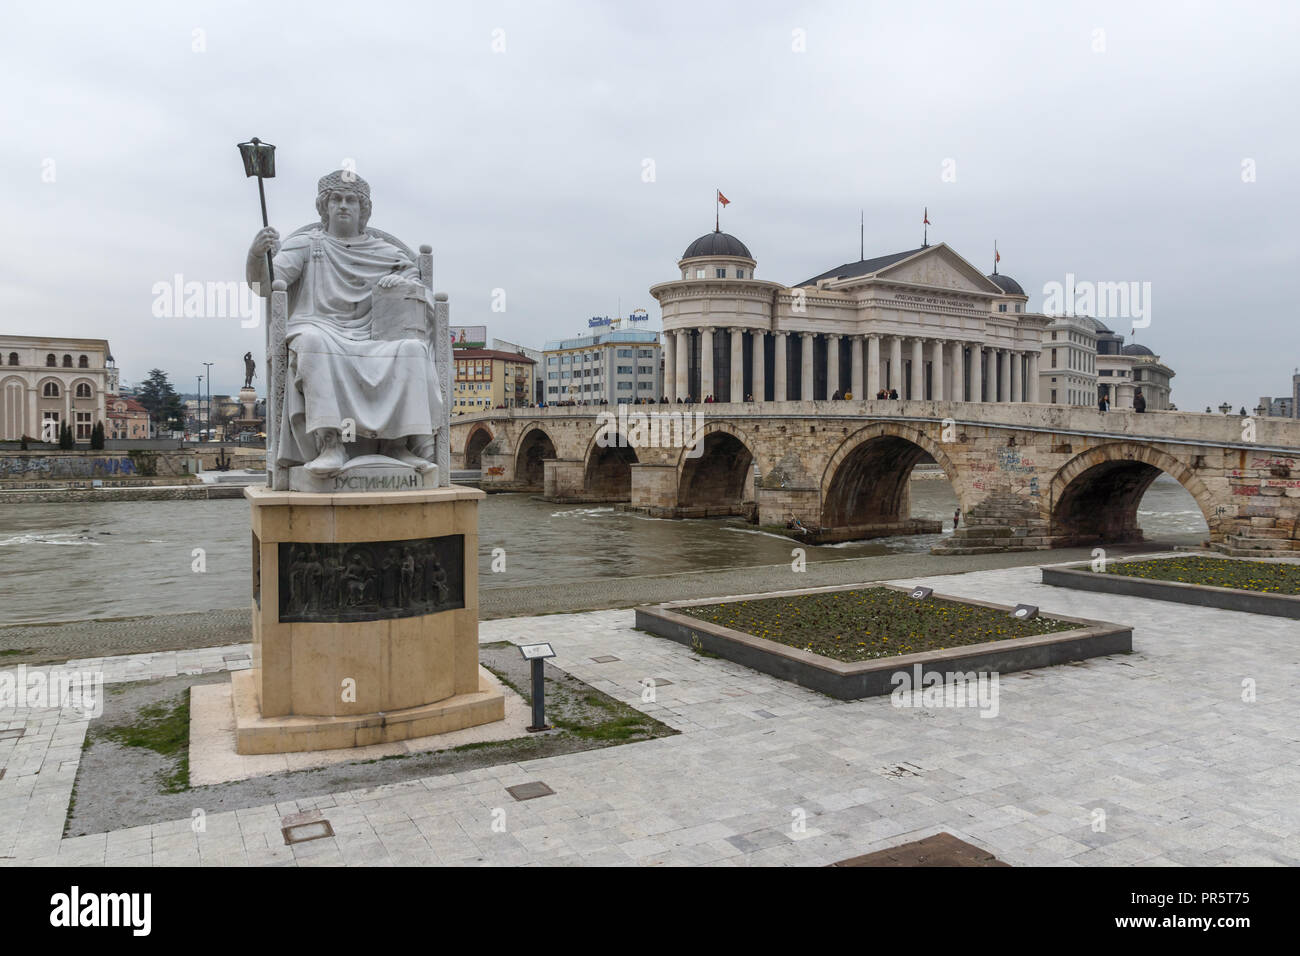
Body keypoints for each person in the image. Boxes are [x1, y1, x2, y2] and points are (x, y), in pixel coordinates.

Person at [247, 170, 442, 478]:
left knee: (412, 349)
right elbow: (266, 287)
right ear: (324, 206)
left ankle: (397, 444)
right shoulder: (306, 246)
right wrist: (257, 255)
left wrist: (400, 281)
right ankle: (330, 443)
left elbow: (418, 291)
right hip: (318, 326)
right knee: (314, 344)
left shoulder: (384, 252)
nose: (343, 205)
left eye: (351, 200)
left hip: (372, 336)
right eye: (335, 199)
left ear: (363, 208)